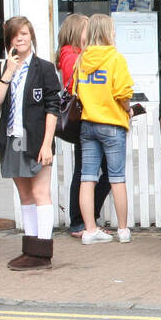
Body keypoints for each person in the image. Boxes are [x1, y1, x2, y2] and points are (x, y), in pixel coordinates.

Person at [0, 16, 61, 270]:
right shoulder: (2, 68)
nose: (20, 39)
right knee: (25, 195)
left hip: (36, 139)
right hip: (12, 138)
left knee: (41, 193)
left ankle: (43, 251)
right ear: (9, 40)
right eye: (15, 35)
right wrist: (8, 72)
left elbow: (53, 108)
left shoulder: (44, 68)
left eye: (24, 34)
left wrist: (46, 144)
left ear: (31, 36)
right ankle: (31, 248)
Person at [75, 14, 135, 246]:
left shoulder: (83, 59)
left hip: (87, 123)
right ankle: (122, 229)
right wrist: (127, 110)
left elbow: (75, 91)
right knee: (117, 178)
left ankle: (89, 230)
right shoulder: (115, 58)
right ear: (108, 32)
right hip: (112, 124)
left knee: (87, 178)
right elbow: (123, 94)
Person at [56, 14, 110, 238]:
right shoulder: (71, 56)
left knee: (90, 172)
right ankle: (80, 221)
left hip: (88, 118)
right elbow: (78, 86)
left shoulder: (74, 54)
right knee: (90, 172)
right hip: (85, 119)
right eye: (86, 28)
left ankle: (86, 219)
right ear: (77, 30)